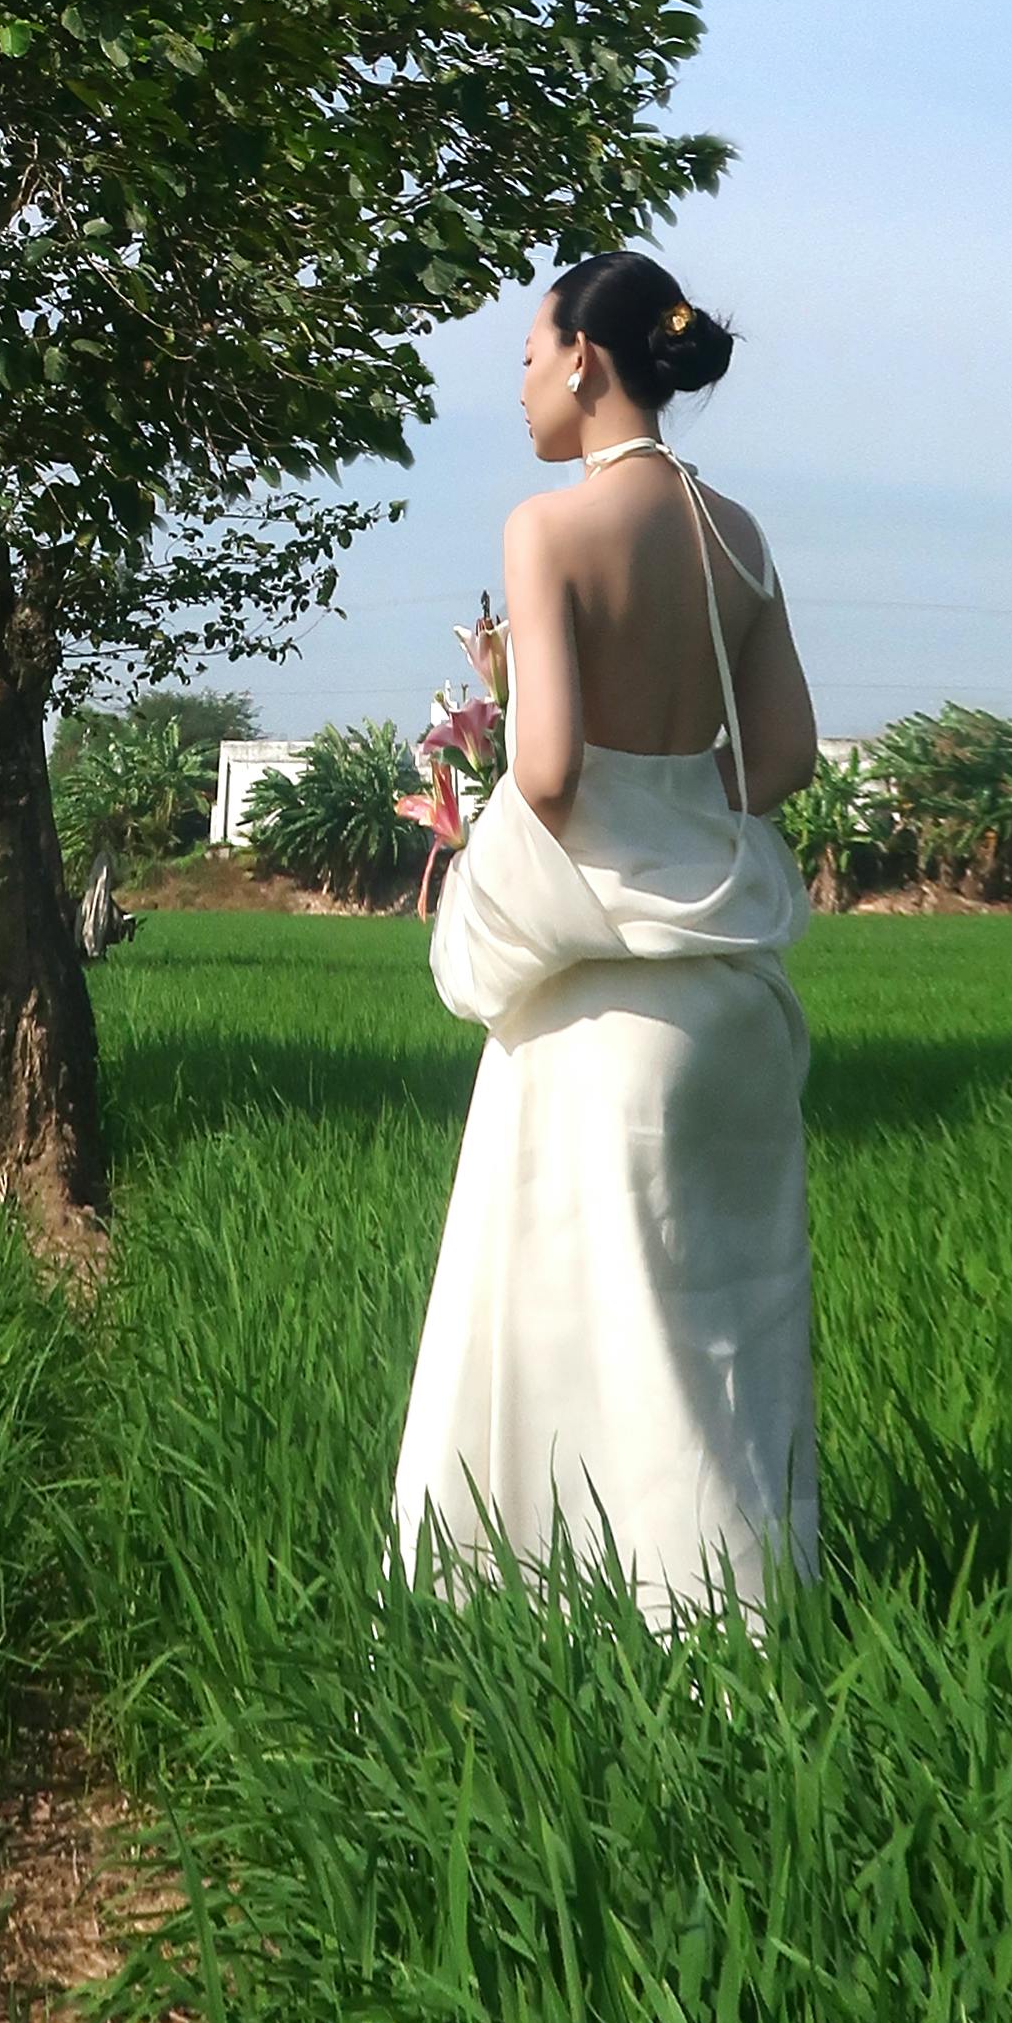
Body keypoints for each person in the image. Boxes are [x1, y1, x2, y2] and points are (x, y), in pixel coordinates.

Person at [390, 250, 823, 1628]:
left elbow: (558, 770)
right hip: (728, 1001)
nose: (520, 385)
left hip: (603, 1007)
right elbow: (781, 762)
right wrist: (676, 791)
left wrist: (503, 760)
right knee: (721, 1345)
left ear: (584, 357)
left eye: (527, 356)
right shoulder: (738, 537)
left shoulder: (545, 528)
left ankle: (565, 1620)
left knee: (578, 1334)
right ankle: (745, 1623)